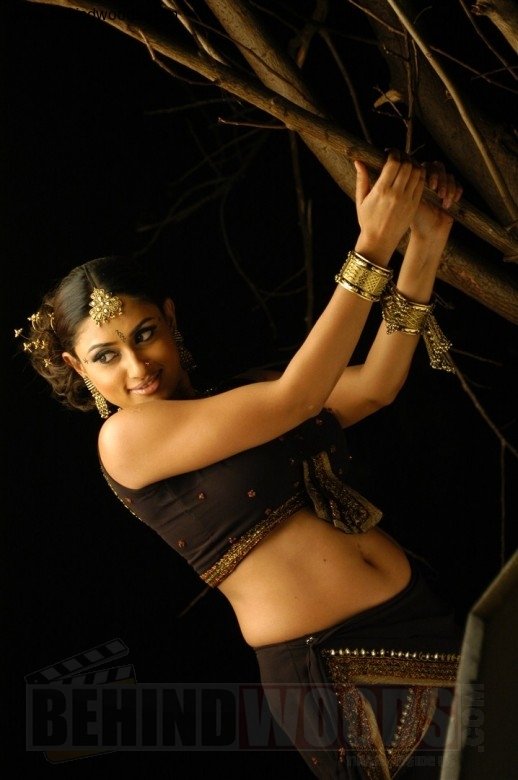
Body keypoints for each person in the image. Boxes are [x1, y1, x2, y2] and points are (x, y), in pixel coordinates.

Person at [19, 150, 463, 778]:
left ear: (171, 318)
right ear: (76, 367)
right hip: (334, 666)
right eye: (106, 355)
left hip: (418, 617)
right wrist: (372, 246)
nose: (137, 366)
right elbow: (299, 398)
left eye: (144, 334)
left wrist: (424, 244)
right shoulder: (125, 440)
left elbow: (375, 387)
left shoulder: (242, 399)